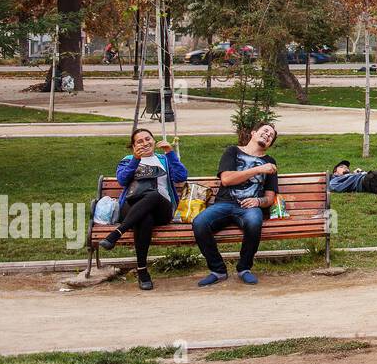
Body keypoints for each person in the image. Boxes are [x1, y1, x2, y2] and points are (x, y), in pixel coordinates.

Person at [99, 128, 188, 290]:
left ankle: (117, 233)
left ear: (154, 141)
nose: (145, 143)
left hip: (162, 209)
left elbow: (181, 176)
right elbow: (122, 180)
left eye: (148, 139)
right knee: (145, 218)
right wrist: (135, 159)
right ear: (133, 146)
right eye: (140, 141)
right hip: (132, 208)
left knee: (153, 195)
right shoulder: (128, 160)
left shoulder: (164, 159)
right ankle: (142, 271)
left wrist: (170, 152)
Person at [192, 123, 280, 286]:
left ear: (270, 144)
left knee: (254, 222)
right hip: (225, 204)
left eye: (271, 136)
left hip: (250, 207)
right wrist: (258, 169)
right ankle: (217, 270)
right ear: (253, 133)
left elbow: (269, 197)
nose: (268, 135)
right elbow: (226, 179)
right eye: (265, 131)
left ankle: (244, 268)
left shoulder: (270, 162)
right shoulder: (233, 151)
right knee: (199, 223)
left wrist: (258, 201)